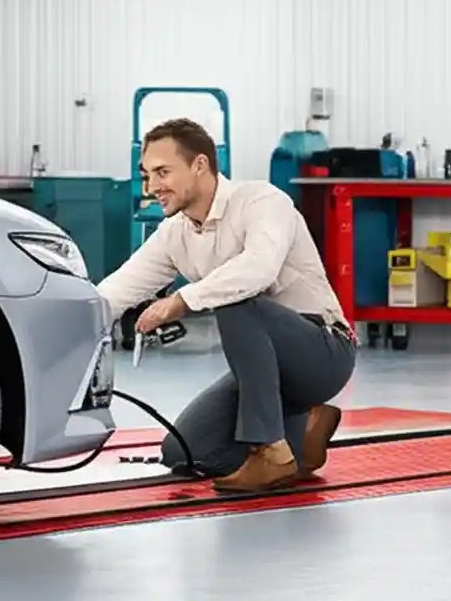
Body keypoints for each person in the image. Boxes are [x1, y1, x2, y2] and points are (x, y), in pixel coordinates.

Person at [96, 117, 357, 493]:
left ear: (200, 165)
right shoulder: (175, 232)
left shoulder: (262, 202)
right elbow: (118, 289)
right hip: (267, 374)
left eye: (163, 172)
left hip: (324, 352)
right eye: (147, 174)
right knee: (184, 453)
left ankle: (271, 450)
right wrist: (69, 323)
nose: (152, 187)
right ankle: (303, 431)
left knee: (235, 299)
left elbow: (258, 269)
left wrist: (181, 301)